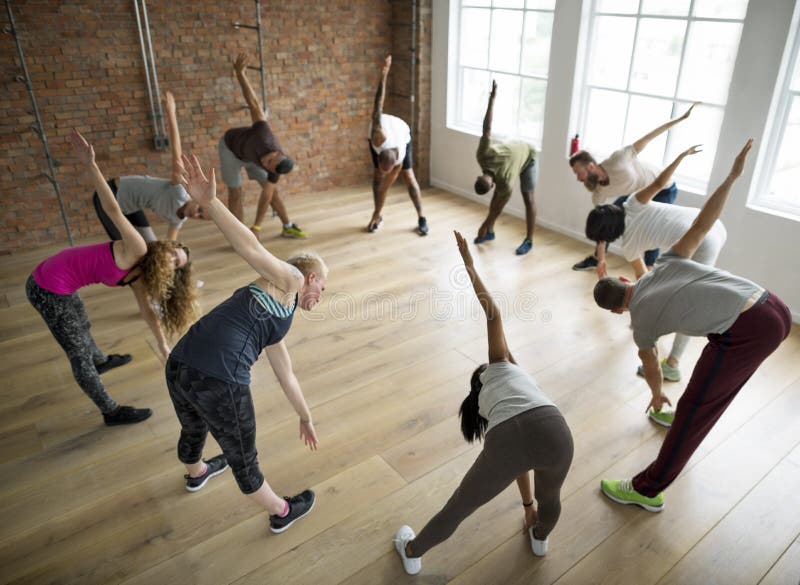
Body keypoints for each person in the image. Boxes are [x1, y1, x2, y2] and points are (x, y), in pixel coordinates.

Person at [593, 140, 792, 512]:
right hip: (773, 304)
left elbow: (650, 365)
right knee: (701, 396)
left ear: (618, 311)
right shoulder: (667, 262)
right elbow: (704, 222)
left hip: (750, 330)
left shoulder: (641, 325)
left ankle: (646, 489)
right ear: (624, 281)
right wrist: (731, 178)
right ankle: (676, 423)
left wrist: (655, 396)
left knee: (695, 410)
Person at [394, 231, 574, 575]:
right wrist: (470, 268)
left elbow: (519, 456)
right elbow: (494, 316)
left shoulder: (490, 399)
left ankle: (413, 551)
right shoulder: (506, 369)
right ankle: (540, 537)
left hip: (510, 437)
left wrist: (525, 503)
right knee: (551, 497)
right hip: (554, 426)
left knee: (460, 506)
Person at [165, 153, 325, 532]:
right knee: (244, 458)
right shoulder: (290, 279)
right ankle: (282, 512)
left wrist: (305, 415)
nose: (321, 294)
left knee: (193, 428)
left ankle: (197, 473)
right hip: (219, 377)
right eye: (323, 285)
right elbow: (250, 247)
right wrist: (211, 202)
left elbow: (287, 374)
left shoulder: (275, 321)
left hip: (180, 362)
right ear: (311, 275)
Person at [26, 131, 198, 426]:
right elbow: (113, 209)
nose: (171, 263)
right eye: (173, 256)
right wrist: (91, 164)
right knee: (78, 352)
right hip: (47, 286)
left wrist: (164, 347)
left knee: (82, 322)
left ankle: (101, 360)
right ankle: (110, 411)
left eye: (176, 266)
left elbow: (147, 311)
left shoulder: (139, 276)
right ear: (166, 248)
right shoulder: (138, 248)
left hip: (63, 280)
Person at [585, 144, 728, 390]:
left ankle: (672, 363)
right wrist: (680, 156)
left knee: (688, 305)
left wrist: (640, 313)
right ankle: (673, 357)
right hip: (713, 224)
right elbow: (661, 182)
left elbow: (644, 279)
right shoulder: (632, 203)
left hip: (702, 244)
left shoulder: (629, 246)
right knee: (685, 295)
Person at [569, 102, 700, 271]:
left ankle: (649, 268)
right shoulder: (599, 193)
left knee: (651, 228)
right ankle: (597, 259)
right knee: (606, 219)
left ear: (591, 166)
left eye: (579, 173)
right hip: (637, 194)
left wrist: (680, 119)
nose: (578, 178)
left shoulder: (618, 160)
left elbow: (648, 137)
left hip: (663, 188)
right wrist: (602, 260)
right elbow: (601, 227)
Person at [92, 91, 205, 245]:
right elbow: (176, 155)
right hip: (110, 194)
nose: (196, 215)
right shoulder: (180, 192)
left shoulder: (179, 220)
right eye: (200, 210)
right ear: (197, 199)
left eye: (200, 218)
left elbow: (169, 245)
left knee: (153, 247)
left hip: (132, 207)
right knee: (128, 248)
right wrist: (171, 112)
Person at [219, 52, 306, 240]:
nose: (266, 167)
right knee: (235, 192)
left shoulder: (275, 168)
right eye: (268, 163)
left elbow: (265, 196)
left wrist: (257, 227)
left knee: (271, 192)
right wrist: (240, 74)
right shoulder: (263, 135)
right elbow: (253, 102)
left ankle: (287, 226)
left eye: (270, 168)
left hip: (249, 157)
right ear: (275, 153)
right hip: (231, 148)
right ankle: (239, 237)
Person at [473, 81, 538, 255]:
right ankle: (491, 232)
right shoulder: (482, 156)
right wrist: (491, 99)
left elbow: (499, 207)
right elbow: (486, 128)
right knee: (497, 200)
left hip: (528, 156)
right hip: (515, 148)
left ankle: (529, 240)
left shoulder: (505, 181)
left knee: (528, 199)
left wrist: (483, 224)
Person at [366, 54, 428, 236]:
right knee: (377, 180)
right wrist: (383, 75)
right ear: (378, 158)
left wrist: (388, 177)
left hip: (402, 131)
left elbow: (389, 181)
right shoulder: (377, 136)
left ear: (393, 164)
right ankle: (377, 215)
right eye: (382, 168)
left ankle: (422, 217)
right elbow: (378, 104)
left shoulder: (400, 154)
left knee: (409, 177)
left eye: (388, 170)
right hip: (385, 129)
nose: (385, 172)